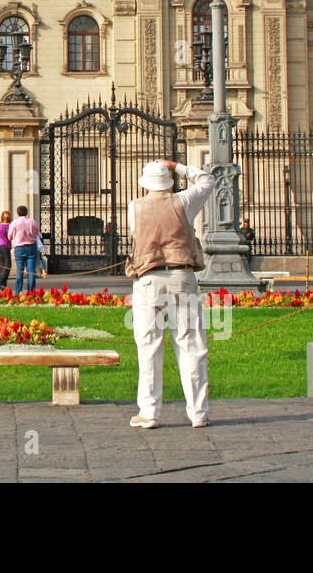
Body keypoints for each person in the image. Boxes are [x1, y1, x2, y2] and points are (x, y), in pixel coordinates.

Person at [126, 158, 215, 430]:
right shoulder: (184, 202)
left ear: (145, 186)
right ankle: (198, 413)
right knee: (191, 346)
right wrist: (177, 165)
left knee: (149, 347)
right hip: (181, 277)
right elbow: (208, 180)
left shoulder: (135, 207)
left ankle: (149, 412)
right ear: (169, 182)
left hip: (149, 280)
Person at [8, 205, 41, 295]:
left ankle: (18, 292)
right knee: (31, 271)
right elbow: (37, 233)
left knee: (20, 271)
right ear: (26, 213)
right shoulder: (33, 222)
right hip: (31, 246)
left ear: (18, 213)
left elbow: (9, 237)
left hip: (19, 248)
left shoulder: (14, 223)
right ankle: (31, 292)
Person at [0, 211, 12, 291]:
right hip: (5, 246)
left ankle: (3, 285)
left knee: (2, 265)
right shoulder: (8, 226)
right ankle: (0, 282)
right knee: (7, 264)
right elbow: (9, 237)